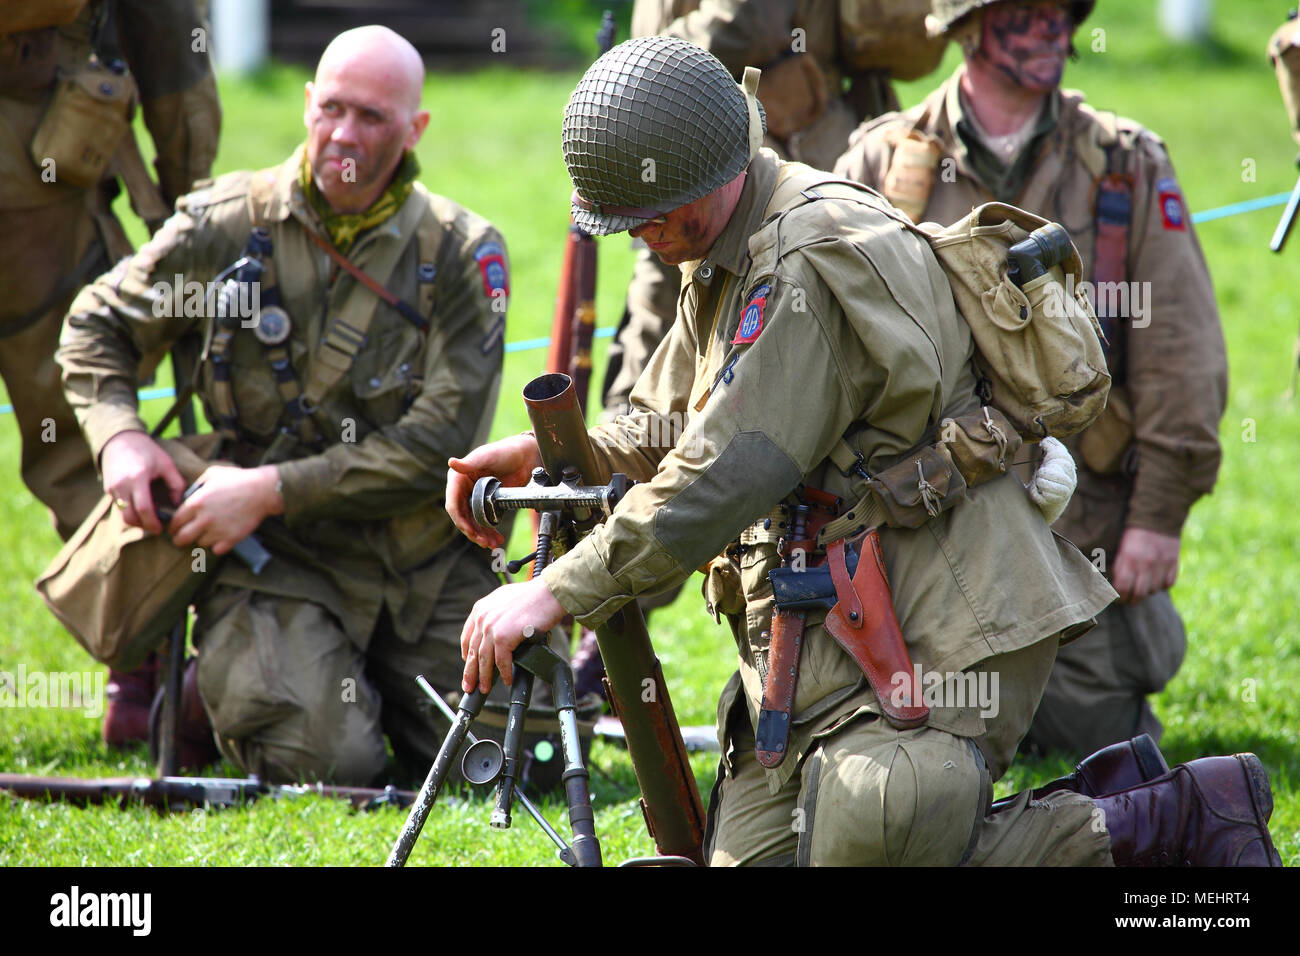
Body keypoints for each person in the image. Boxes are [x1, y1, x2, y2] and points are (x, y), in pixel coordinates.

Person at [446, 36, 1279, 866]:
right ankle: (1113, 799)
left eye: (654, 217)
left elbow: (720, 479)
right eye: (631, 225)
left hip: (940, 623)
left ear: (709, 170)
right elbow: (667, 423)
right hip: (818, 642)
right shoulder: (725, 242)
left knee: (878, 834)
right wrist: (545, 453)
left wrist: (555, 592)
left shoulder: (803, 262)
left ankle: (1173, 825)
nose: (644, 239)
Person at [58, 25, 508, 786]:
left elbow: (440, 446)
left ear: (416, 127)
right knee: (337, 764)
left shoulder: (461, 254)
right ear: (306, 104)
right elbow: (97, 325)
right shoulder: (224, 227)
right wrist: (120, 438)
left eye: (373, 118)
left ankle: (359, 685)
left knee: (501, 764)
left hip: (421, 566)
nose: (345, 135)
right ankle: (205, 693)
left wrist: (267, 491)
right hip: (280, 565)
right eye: (332, 109)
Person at [834, 0, 1229, 760]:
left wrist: (1160, 513)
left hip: (1079, 531)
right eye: (1026, 10)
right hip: (926, 525)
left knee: (1087, 734)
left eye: (1063, 11)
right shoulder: (882, 163)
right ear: (968, 26)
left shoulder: (1125, 163)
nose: (1052, 27)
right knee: (906, 733)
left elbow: (1182, 347)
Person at [0, 0, 221, 746]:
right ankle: (142, 678)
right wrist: (187, 198)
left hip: (42, 164)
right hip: (36, 177)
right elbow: (167, 34)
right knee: (84, 444)